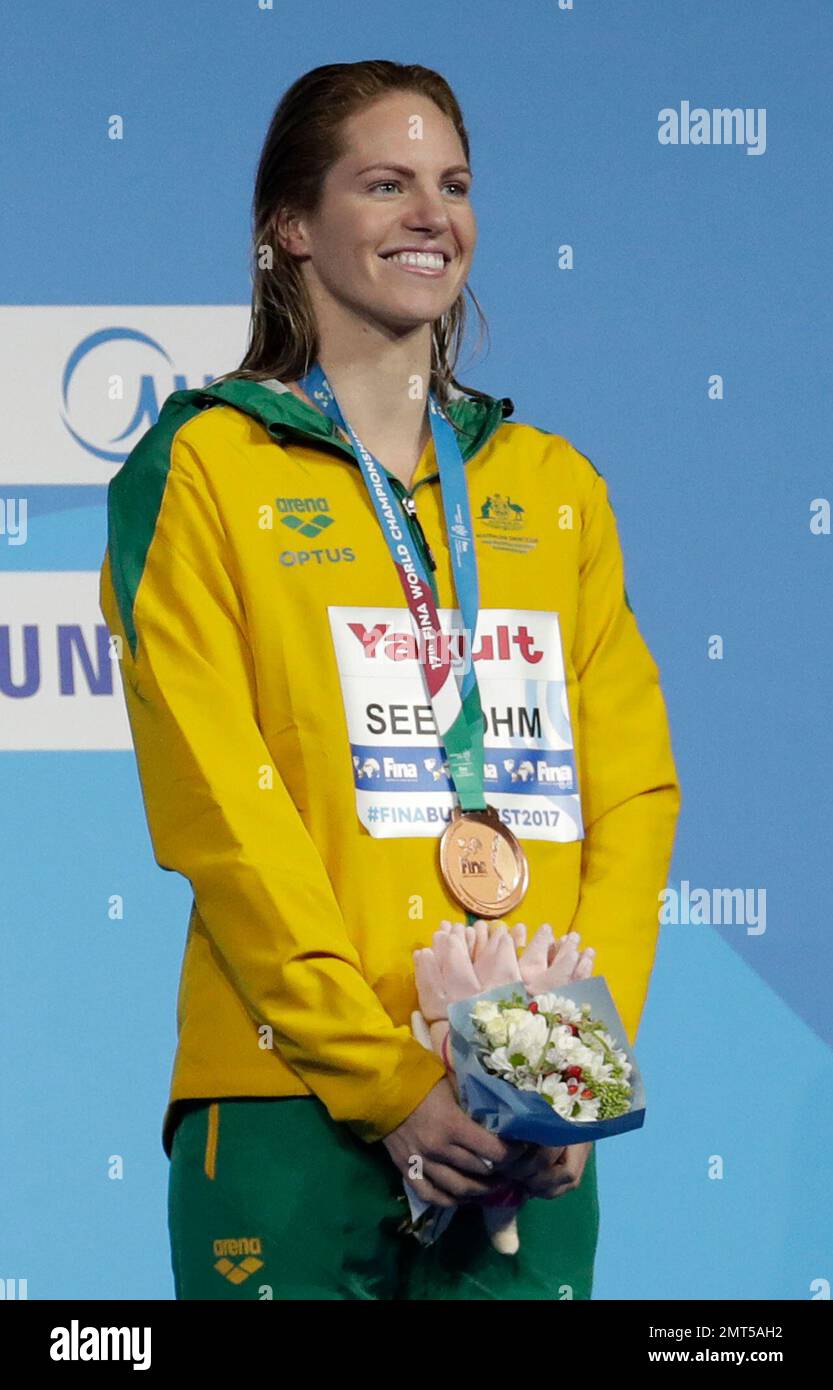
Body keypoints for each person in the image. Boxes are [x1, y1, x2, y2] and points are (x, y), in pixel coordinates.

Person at [99, 59, 681, 1300]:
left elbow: (629, 790)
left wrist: (568, 1057)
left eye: (453, 184)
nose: (433, 214)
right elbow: (224, 811)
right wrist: (388, 1077)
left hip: (523, 1128)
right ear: (289, 227)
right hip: (292, 1103)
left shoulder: (550, 484)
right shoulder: (202, 468)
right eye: (384, 182)